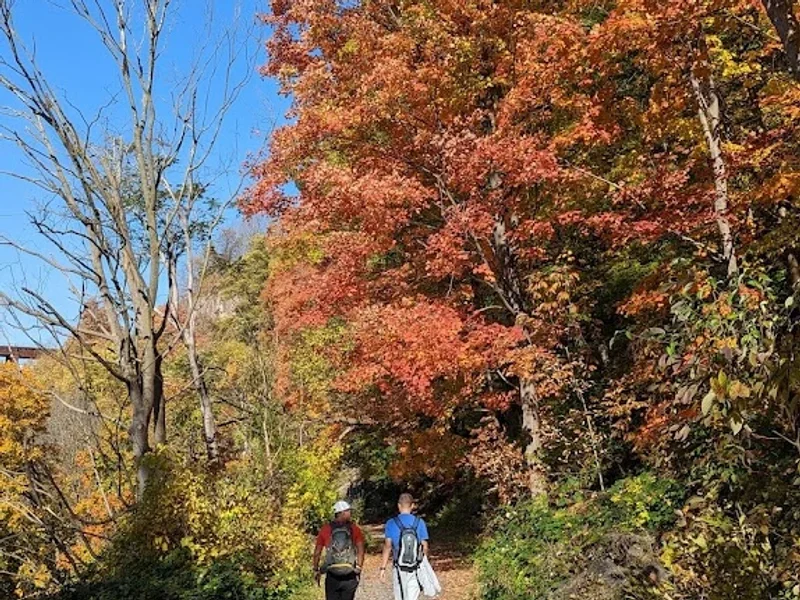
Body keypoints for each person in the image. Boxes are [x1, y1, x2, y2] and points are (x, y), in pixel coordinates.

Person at [380, 493, 431, 600]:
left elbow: (387, 546)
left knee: (400, 596)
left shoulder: (391, 523)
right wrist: (424, 564)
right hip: (415, 567)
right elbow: (425, 546)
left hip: (398, 566)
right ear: (412, 505)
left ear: (399, 505)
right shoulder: (419, 522)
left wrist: (383, 568)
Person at [314, 500, 366, 600]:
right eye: (348, 511)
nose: (350, 513)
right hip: (349, 575)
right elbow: (360, 550)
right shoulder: (354, 529)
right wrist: (359, 567)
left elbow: (317, 552)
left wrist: (316, 569)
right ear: (341, 513)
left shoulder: (325, 529)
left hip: (332, 575)